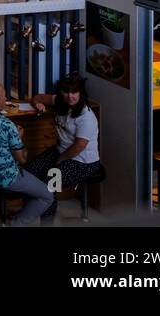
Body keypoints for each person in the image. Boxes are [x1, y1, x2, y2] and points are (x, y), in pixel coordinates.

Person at [0, 81, 53, 226]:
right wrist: (19, 137)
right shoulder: (8, 126)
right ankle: (14, 224)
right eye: (4, 96)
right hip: (5, 177)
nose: (7, 99)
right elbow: (22, 159)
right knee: (47, 196)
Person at [25, 73, 102, 222]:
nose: (70, 96)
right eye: (66, 92)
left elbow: (79, 146)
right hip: (61, 151)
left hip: (82, 162)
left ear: (80, 93)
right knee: (30, 173)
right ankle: (26, 214)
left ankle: (47, 222)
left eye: (74, 92)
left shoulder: (86, 117)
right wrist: (38, 104)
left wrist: (59, 159)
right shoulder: (60, 102)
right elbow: (39, 97)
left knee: (49, 183)